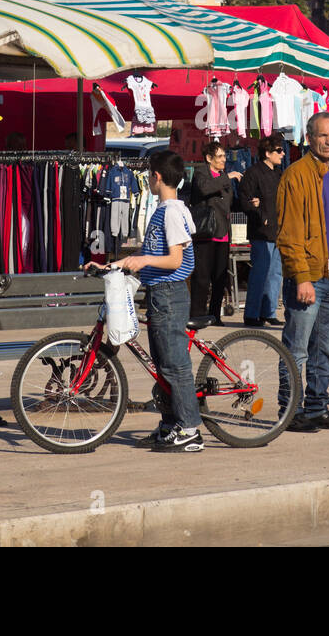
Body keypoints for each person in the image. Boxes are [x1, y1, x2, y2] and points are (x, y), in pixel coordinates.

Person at [113, 150, 202, 452]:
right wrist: (128, 261)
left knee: (175, 365)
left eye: (150, 175)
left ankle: (189, 428)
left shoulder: (173, 211)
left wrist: (143, 259)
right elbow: (157, 252)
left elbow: (176, 259)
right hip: (159, 292)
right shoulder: (166, 209)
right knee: (162, 365)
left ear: (157, 177)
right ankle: (169, 423)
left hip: (169, 292)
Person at [276, 112, 329, 432]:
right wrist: (302, 276)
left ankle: (317, 407)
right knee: (296, 348)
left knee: (324, 349)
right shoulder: (296, 176)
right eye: (323, 136)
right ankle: (290, 410)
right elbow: (288, 233)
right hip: (308, 277)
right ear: (309, 138)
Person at [189, 141, 241, 325]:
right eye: (219, 156)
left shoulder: (223, 176)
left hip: (223, 233)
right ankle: (196, 313)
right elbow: (204, 189)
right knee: (202, 276)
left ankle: (215, 315)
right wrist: (228, 177)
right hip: (206, 232)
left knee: (220, 277)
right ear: (209, 158)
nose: (223, 160)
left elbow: (230, 203)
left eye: (224, 156)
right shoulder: (202, 173)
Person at [238, 133, 286, 328]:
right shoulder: (253, 173)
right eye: (279, 150)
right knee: (260, 273)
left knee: (275, 274)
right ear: (267, 153)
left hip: (278, 231)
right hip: (261, 231)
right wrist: (259, 212)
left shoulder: (278, 173)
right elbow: (243, 200)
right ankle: (251, 314)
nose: (283, 154)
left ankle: (269, 311)